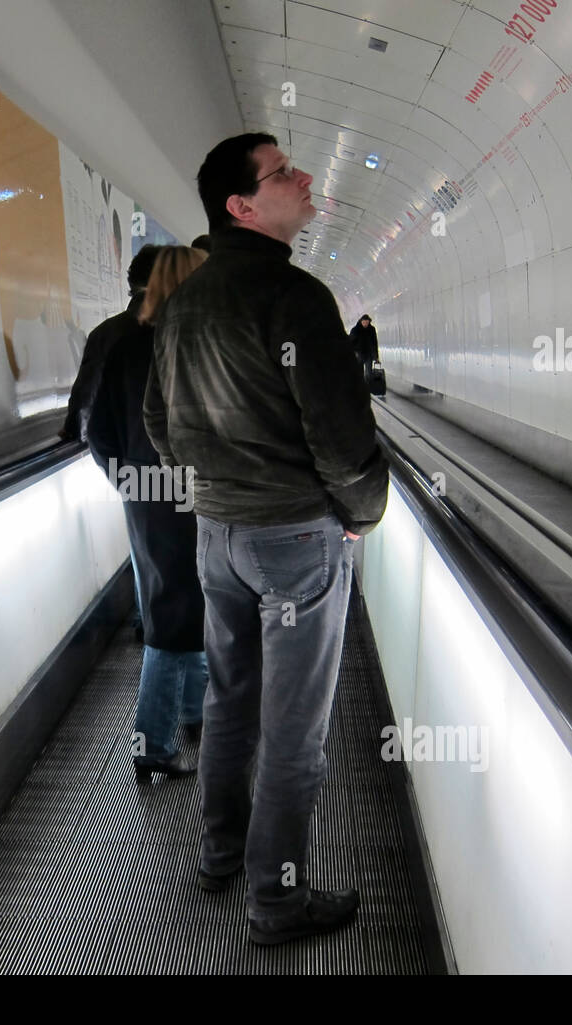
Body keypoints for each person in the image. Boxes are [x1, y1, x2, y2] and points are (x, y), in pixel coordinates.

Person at [144, 133, 388, 946]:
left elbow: (157, 423)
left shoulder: (182, 304)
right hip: (295, 541)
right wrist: (364, 509)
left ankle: (218, 859)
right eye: (283, 172)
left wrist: (215, 478)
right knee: (294, 732)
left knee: (230, 705)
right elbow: (341, 435)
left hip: (217, 535)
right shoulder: (296, 298)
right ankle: (276, 900)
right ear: (243, 207)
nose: (305, 176)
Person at [88, 246, 209, 783]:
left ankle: (196, 712)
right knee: (177, 616)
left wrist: (129, 480)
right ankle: (152, 744)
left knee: (177, 608)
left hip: (148, 495)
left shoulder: (124, 346)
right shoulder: (195, 345)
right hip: (192, 495)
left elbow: (98, 430)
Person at [60, 244, 161, 442]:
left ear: (131, 283)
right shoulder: (178, 327)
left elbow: (86, 399)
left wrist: (74, 430)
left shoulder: (105, 333)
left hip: (128, 455)